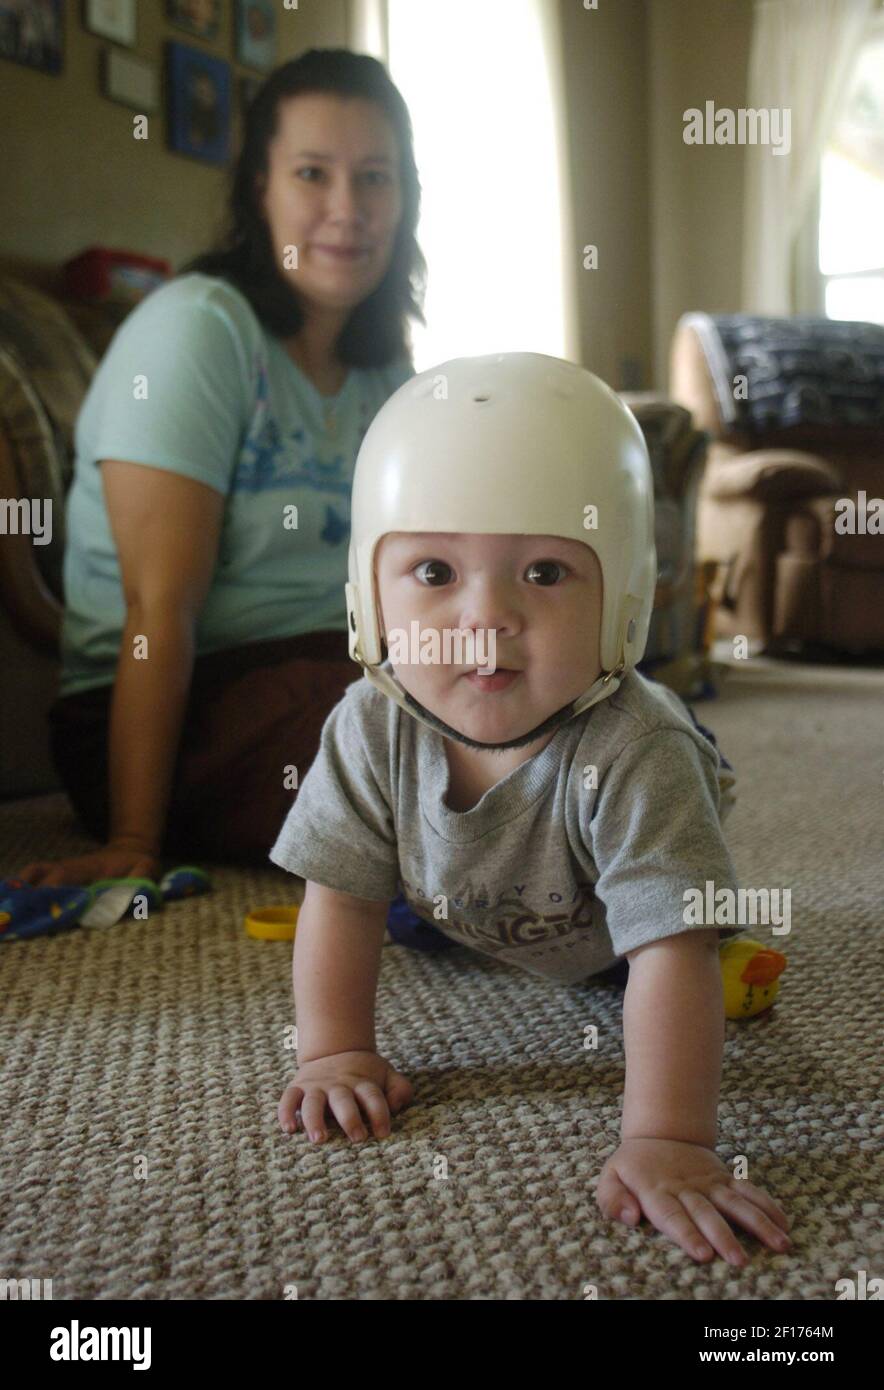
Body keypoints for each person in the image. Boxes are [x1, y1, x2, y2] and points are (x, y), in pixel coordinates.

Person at [269, 353, 792, 1267]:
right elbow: (343, 897)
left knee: (689, 923)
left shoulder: (637, 751)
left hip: (614, 928)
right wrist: (334, 1052)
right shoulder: (368, 725)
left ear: (622, 596)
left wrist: (670, 1140)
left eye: (546, 573)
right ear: (370, 598)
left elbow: (668, 953)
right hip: (463, 904)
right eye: (434, 569)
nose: (485, 618)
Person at [16, 49, 427, 887]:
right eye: (313, 173)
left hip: (343, 675)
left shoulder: (389, 369)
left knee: (573, 717)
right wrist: (135, 840)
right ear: (258, 191)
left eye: (376, 177)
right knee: (436, 762)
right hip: (179, 703)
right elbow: (156, 607)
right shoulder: (199, 331)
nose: (347, 209)